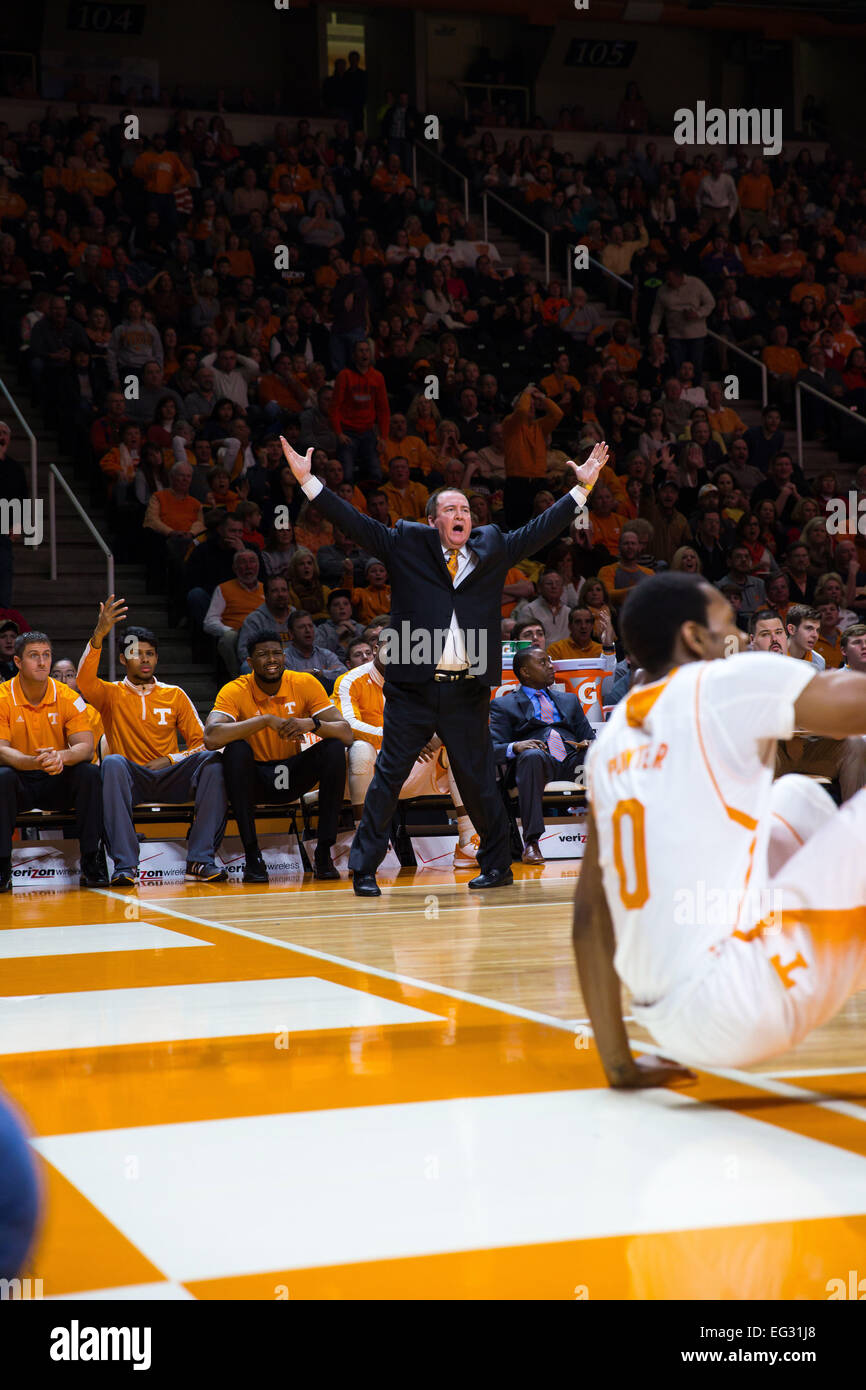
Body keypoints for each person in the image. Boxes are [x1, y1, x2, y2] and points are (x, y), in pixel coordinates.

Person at [279, 435, 610, 895]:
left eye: (467, 511)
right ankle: (365, 868)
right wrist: (308, 482)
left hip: (466, 691)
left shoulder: (492, 546)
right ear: (432, 520)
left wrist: (582, 490)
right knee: (387, 776)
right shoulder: (405, 544)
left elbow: (539, 530)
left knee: (478, 781)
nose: (461, 516)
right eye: (451, 510)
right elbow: (353, 523)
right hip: (413, 689)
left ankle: (497, 864)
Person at [573, 571, 866, 1083]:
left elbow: (589, 915)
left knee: (795, 799)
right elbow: (852, 705)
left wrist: (619, 1063)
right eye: (729, 622)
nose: (742, 636)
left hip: (671, 1023)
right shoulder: (720, 683)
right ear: (694, 637)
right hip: (744, 999)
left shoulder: (613, 738)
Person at [78, 598, 229, 885]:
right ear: (123, 659)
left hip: (172, 777)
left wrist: (171, 759)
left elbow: (205, 742)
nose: (144, 659)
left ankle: (200, 859)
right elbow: (85, 682)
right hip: (132, 780)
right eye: (136, 653)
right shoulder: (111, 694)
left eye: (150, 654)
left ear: (157, 658)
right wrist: (99, 634)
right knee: (111, 763)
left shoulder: (175, 694)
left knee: (214, 763)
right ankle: (125, 866)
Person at [203, 630, 352, 883]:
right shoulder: (235, 689)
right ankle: (252, 856)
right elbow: (211, 737)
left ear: (284, 657)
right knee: (236, 750)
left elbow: (346, 733)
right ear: (250, 663)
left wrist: (312, 724)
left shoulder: (304, 683)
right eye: (262, 655)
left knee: (334, 748)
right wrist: (263, 721)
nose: (270, 659)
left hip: (293, 774)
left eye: (275, 653)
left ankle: (324, 852)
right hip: (255, 778)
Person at [334, 648, 480, 868]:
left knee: (457, 744)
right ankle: (365, 840)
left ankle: (468, 839)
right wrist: (403, 740)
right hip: (372, 769)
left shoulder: (424, 677)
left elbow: (452, 715)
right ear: (376, 649)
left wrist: (435, 736)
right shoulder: (351, 680)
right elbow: (348, 725)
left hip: (417, 764)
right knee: (360, 749)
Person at [0, 631, 107, 891]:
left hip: (56, 776)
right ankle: (2, 866)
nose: (42, 662)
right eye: (34, 656)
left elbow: (85, 746)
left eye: (46, 655)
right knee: (2, 776)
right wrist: (32, 762)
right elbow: (1, 750)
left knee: (89, 773)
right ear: (17, 662)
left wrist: (61, 756)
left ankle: (92, 860)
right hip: (20, 778)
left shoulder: (69, 696)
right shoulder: (2, 696)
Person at [490, 646, 596, 864]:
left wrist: (589, 744)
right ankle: (532, 843)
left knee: (599, 754)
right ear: (525, 672)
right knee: (531, 756)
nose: (551, 666)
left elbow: (588, 736)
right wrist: (517, 746)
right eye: (543, 663)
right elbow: (491, 749)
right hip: (537, 764)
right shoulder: (504, 704)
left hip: (571, 761)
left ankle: (613, 834)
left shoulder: (569, 700)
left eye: (550, 661)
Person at [202, 550, 265, 676]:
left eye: (252, 561)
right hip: (236, 633)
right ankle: (239, 678)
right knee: (228, 638)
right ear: (235, 568)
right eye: (243, 562)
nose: (248, 566)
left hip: (262, 633)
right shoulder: (224, 588)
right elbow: (209, 621)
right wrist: (229, 630)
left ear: (258, 566)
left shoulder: (267, 589)